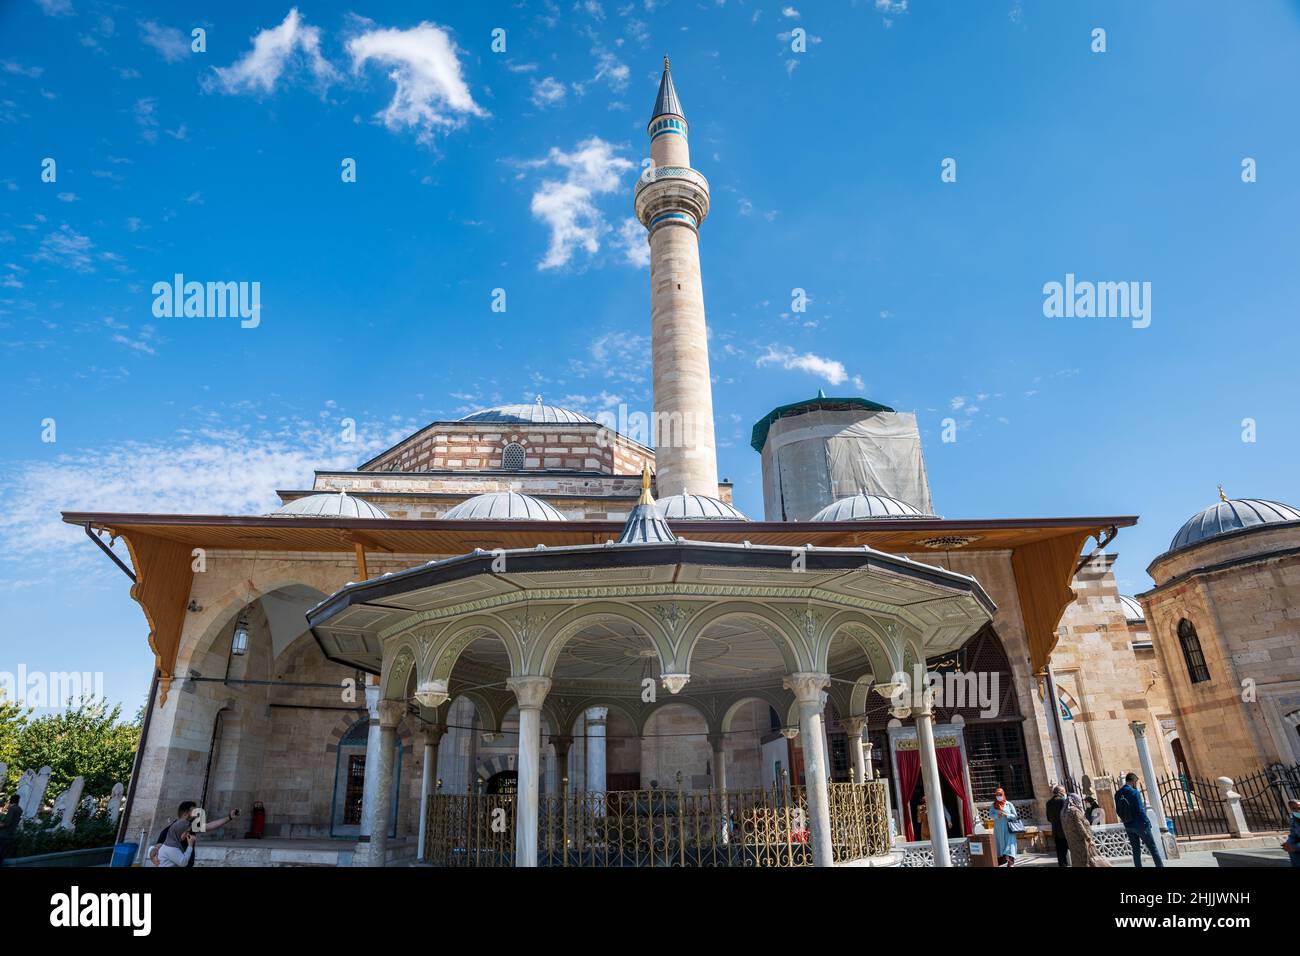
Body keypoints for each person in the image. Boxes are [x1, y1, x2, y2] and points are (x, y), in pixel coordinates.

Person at [148, 801, 240, 868]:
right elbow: (158, 848)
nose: (197, 814)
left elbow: (210, 826)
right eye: (194, 812)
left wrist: (229, 817)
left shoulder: (191, 826)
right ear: (185, 814)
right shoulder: (169, 831)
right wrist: (152, 852)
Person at [1115, 772, 1164, 868]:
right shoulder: (1134, 792)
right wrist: (1147, 822)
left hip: (1128, 825)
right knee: (1153, 848)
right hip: (1140, 824)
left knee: (1136, 850)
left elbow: (1118, 811)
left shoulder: (1117, 794)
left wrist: (1125, 820)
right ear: (1133, 781)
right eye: (1135, 782)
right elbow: (1140, 810)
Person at [1062, 792, 1109, 867]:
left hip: (1072, 842)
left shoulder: (1064, 812)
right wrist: (1089, 839)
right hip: (1081, 841)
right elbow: (1080, 826)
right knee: (1084, 862)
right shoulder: (1075, 811)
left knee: (1077, 861)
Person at [990, 787, 1019, 866]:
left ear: (1003, 795)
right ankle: (1002, 861)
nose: (998, 796)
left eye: (1000, 794)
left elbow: (1015, 816)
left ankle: (1010, 863)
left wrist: (1007, 815)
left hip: (1008, 829)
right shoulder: (993, 805)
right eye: (997, 795)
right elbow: (990, 815)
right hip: (998, 830)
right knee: (1000, 846)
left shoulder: (1009, 804)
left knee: (1009, 845)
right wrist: (996, 816)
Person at [1045, 785, 1068, 867]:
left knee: (1060, 854)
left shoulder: (1048, 803)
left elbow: (1048, 818)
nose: (1065, 793)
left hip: (1056, 832)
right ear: (1061, 792)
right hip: (1065, 831)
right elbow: (1067, 816)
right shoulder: (1062, 801)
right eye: (1064, 791)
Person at [0, 794, 23, 865]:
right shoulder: (20, 809)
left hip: (4, 834)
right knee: (3, 854)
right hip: (11, 833)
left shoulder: (12, 809)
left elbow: (7, 823)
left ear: (11, 800)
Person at [1283, 799, 1300, 868]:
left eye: (1299, 808)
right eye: (1294, 809)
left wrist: (1295, 847)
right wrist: (1288, 843)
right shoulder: (1294, 819)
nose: (1297, 811)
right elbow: (1292, 834)